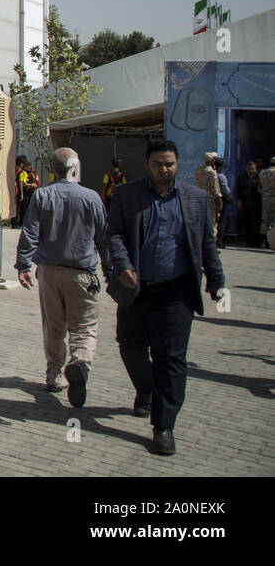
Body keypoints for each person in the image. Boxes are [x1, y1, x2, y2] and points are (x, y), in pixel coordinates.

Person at [100, 139, 225, 457]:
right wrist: (123, 266)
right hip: (136, 288)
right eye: (157, 164)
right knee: (129, 346)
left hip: (177, 291)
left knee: (171, 359)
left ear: (177, 163)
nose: (163, 169)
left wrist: (217, 281)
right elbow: (113, 234)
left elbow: (206, 244)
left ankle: (164, 426)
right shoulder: (128, 195)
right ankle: (145, 388)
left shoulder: (196, 199)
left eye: (169, 163)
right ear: (147, 164)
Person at [15, 147, 107, 407]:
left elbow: (30, 232)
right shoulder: (92, 198)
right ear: (75, 169)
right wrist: (111, 268)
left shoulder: (42, 196)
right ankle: (79, 363)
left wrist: (23, 265)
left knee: (53, 328)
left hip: (49, 273)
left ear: (53, 170)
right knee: (84, 327)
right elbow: (104, 237)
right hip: (83, 274)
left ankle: (54, 376)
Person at [194, 152, 222, 241]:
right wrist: (219, 199)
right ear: (213, 160)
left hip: (200, 198)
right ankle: (211, 243)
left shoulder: (199, 170)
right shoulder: (212, 172)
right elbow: (215, 188)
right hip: (210, 199)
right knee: (212, 221)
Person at [238, 159, 261, 247]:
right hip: (245, 202)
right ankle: (248, 239)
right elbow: (238, 188)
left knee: (254, 223)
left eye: (252, 168)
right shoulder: (242, 177)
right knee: (246, 222)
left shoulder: (258, 177)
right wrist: (239, 200)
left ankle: (253, 240)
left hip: (255, 203)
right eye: (249, 168)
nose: (251, 170)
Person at [214, 158, 232, 246]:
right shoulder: (221, 176)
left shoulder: (209, 173)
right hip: (221, 200)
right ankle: (219, 240)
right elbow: (225, 190)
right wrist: (230, 198)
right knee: (222, 221)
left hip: (211, 200)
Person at [260, 156, 275, 250]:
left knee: (265, 219)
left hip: (265, 198)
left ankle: (262, 241)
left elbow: (259, 186)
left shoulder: (262, 172)